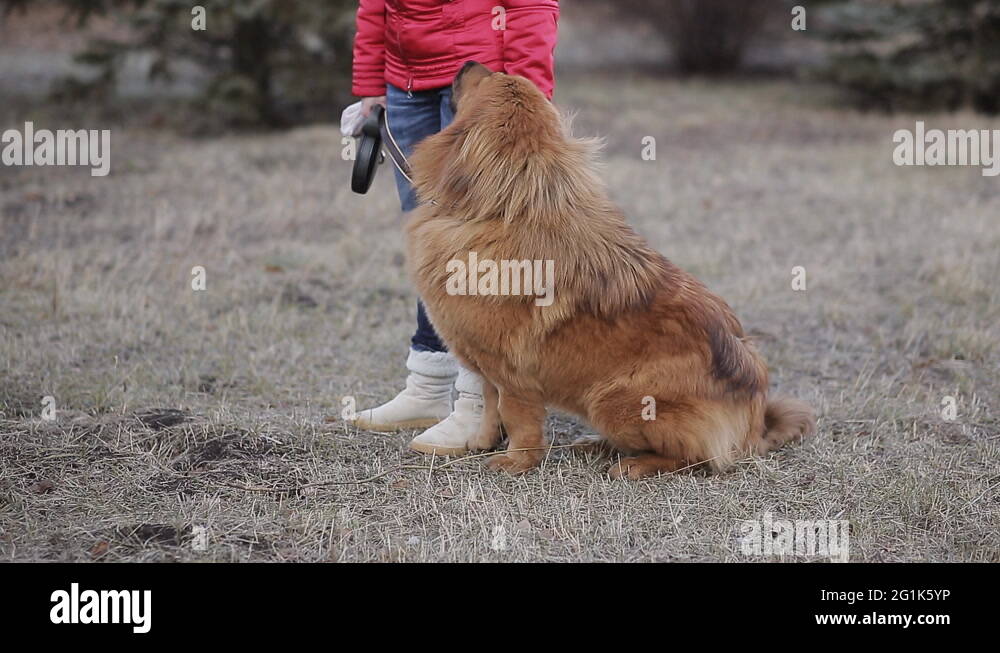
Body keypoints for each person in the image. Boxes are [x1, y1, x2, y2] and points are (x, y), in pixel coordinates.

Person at [348, 0, 559, 455]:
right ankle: (427, 384)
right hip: (405, 85)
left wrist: (527, 93)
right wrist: (371, 85)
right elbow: (373, 6)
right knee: (430, 238)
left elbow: (532, 6)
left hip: (477, 82)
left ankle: (477, 404)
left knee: (479, 244)